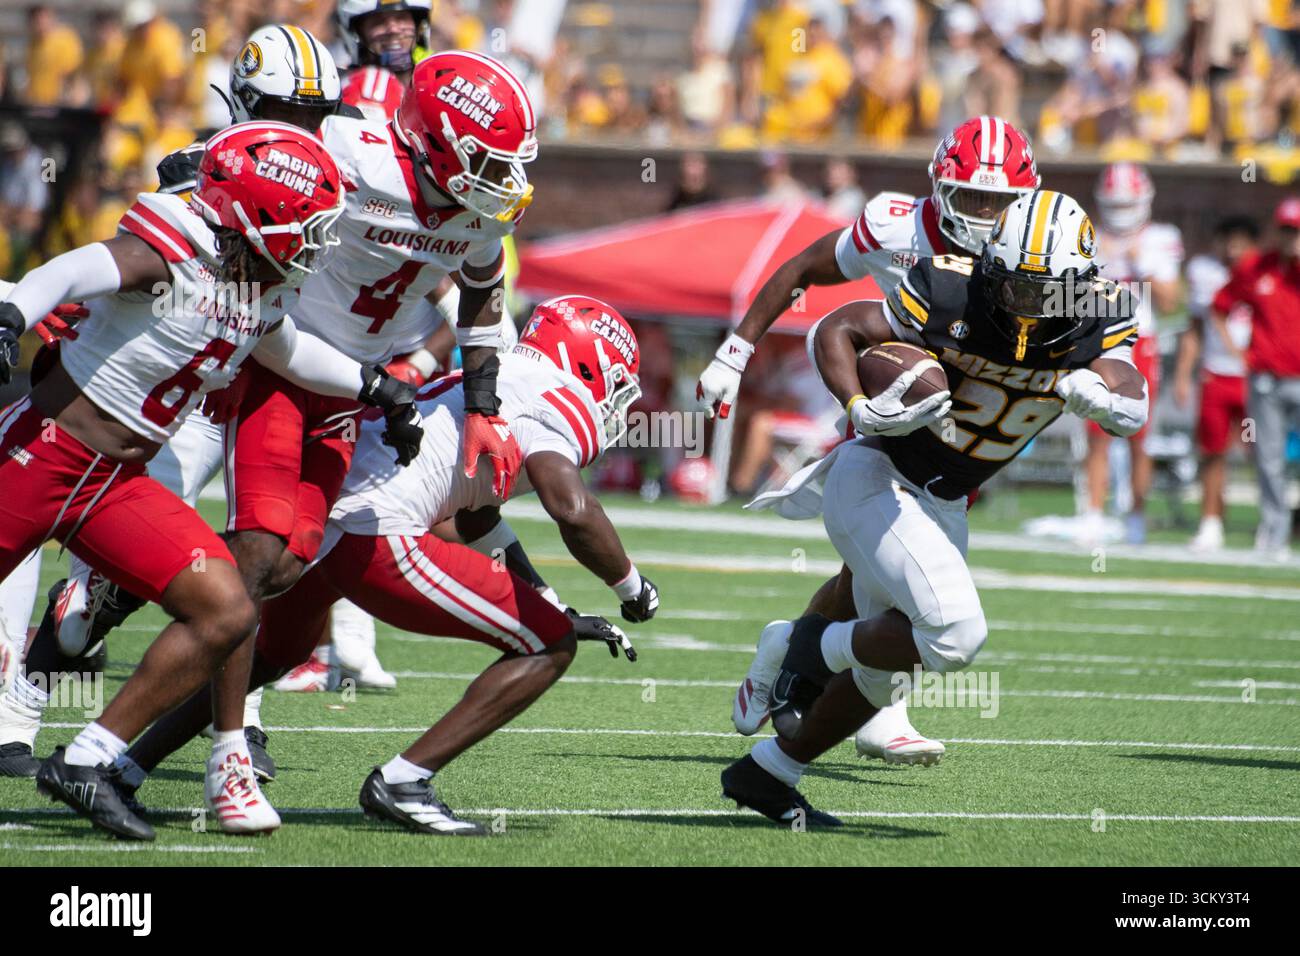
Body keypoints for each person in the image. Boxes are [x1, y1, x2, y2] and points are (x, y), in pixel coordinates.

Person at [0, 121, 424, 840]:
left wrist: (376, 386)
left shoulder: (256, 283)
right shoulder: (176, 246)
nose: (317, 245)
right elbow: (72, 270)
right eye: (307, 226)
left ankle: (87, 760)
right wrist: (11, 315)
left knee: (227, 607)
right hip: (40, 457)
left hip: (115, 484)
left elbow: (288, 350)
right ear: (255, 213)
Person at [112, 296, 661, 833]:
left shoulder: (505, 373)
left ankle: (125, 766)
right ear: (584, 361)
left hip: (330, 511)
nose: (614, 400)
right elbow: (572, 508)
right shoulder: (552, 394)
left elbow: (477, 519)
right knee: (549, 644)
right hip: (376, 530)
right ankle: (404, 782)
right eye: (615, 381)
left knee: (269, 656)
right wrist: (632, 588)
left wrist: (547, 599)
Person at [0, 24, 356, 782]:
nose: (304, 130)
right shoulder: (199, 196)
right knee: (89, 595)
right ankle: (20, 712)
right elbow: (98, 269)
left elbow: (281, 337)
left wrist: (385, 380)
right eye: (288, 113)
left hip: (196, 421)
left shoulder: (313, 198)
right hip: (118, 422)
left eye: (314, 115)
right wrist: (20, 310)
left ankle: (162, 744)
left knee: (240, 584)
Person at [724, 190, 1148, 824]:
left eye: (1042, 293)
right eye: (1012, 285)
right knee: (957, 634)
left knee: (884, 673)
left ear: (1079, 286)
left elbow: (1132, 392)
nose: (1023, 306)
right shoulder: (952, 289)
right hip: (880, 478)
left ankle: (769, 772)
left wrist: (1113, 400)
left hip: (946, 503)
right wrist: (857, 406)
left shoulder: (1101, 312)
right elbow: (834, 328)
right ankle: (806, 644)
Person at [698, 116, 1040, 766]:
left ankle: (791, 652)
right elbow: (804, 268)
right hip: (895, 404)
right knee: (915, 581)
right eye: (971, 197)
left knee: (874, 577)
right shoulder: (894, 226)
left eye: (999, 201)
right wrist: (735, 353)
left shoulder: (1032, 247)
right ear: (939, 187)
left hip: (961, 424)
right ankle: (877, 709)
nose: (985, 214)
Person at [1081, 162, 1182, 545]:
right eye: (1115, 205)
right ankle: (1093, 514)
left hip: (1141, 342)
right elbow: (1072, 299)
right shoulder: (1088, 235)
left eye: (1127, 205)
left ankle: (1136, 517)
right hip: (1098, 340)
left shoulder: (1160, 237)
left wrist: (1142, 264)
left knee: (1140, 434)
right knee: (1096, 433)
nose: (1121, 213)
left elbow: (1170, 301)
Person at [1210, 198, 1300, 560]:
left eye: (1297, 231)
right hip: (1267, 380)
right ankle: (1274, 534)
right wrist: (1238, 353)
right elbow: (1220, 306)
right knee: (1269, 460)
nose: (1293, 238)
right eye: (1288, 230)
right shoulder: (1257, 267)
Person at [1173, 216, 1259, 551]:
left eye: (1241, 240)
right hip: (1216, 375)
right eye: (1228, 239)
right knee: (1213, 450)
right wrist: (1183, 374)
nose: (1233, 248)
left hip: (1255, 379)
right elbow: (1194, 328)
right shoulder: (1205, 272)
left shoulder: (1264, 272)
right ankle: (1211, 521)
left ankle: (1269, 522)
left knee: (1258, 449)